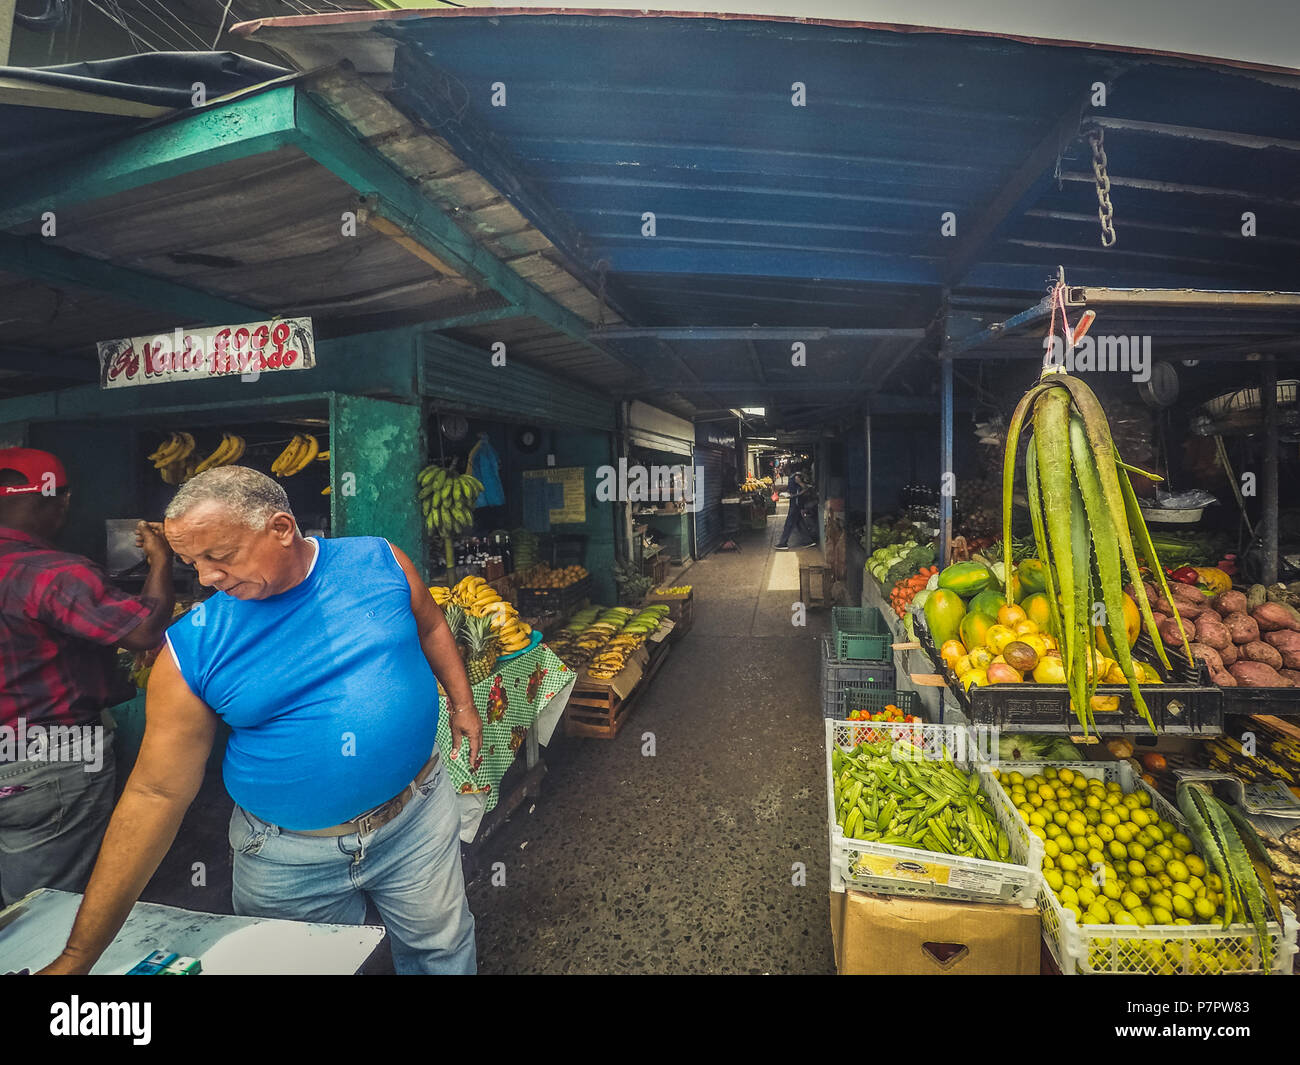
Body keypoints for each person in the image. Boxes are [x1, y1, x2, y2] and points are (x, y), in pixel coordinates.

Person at [38, 466, 482, 975]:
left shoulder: (378, 560)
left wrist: (463, 704)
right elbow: (155, 794)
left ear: (280, 528)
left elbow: (430, 624)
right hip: (285, 861)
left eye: (219, 556)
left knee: (441, 948)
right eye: (190, 561)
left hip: (416, 818)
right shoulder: (193, 649)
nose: (206, 578)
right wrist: (77, 958)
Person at [0, 448, 174, 907]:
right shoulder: (55, 574)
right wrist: (161, 562)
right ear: (57, 501)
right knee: (38, 910)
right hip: (46, 759)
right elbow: (143, 630)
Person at [774, 470, 818, 550]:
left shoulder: (796, 476)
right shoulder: (792, 478)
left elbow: (805, 488)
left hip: (796, 504)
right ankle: (808, 541)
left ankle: (783, 543)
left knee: (789, 524)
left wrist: (794, 495)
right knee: (799, 523)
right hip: (795, 503)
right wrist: (782, 489)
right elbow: (792, 488)